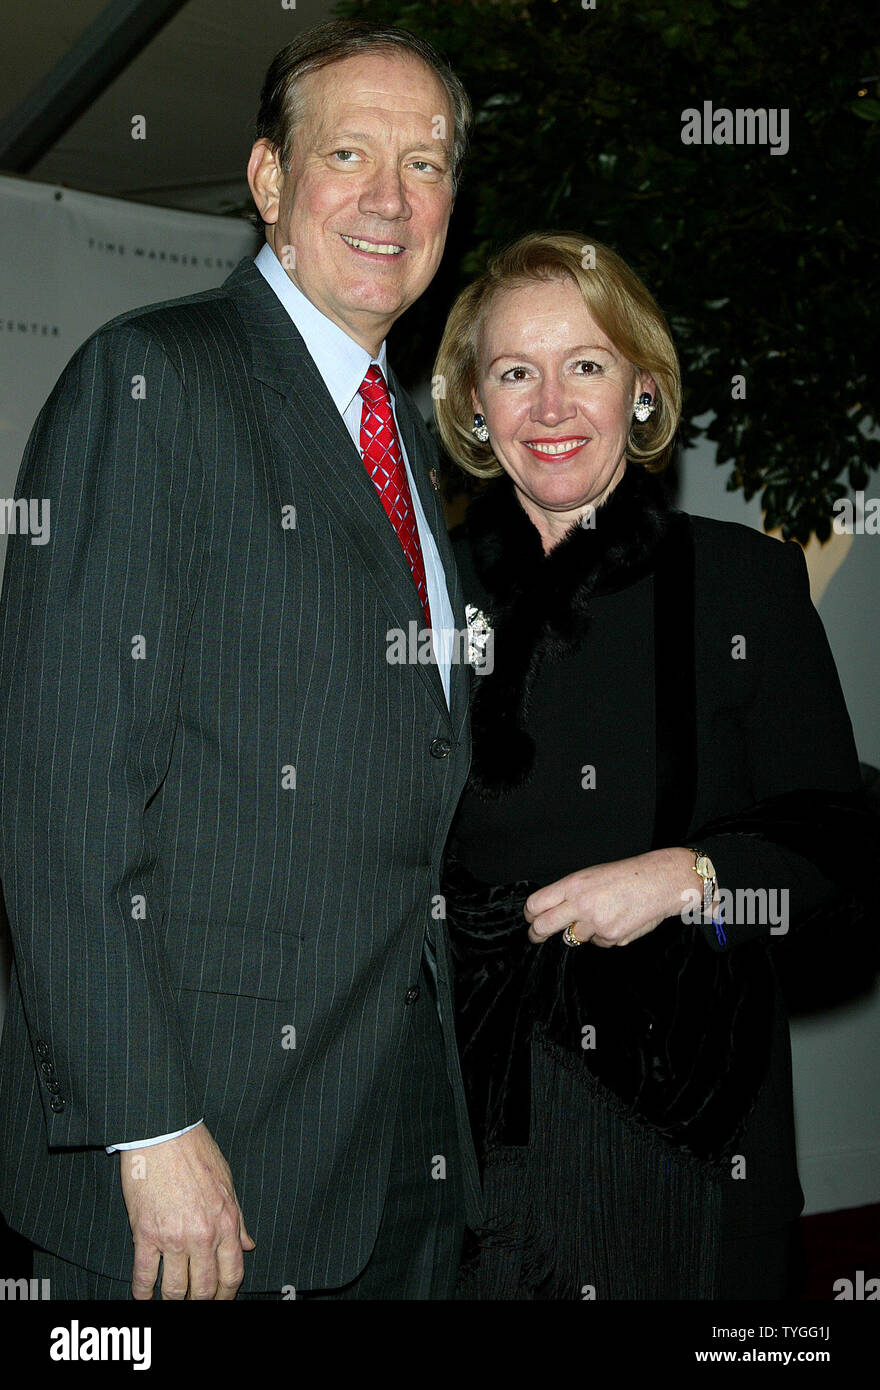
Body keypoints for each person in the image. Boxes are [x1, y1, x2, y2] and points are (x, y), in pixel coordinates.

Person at [0, 20, 481, 1300]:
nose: (391, 198)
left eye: (426, 165)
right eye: (350, 155)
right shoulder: (152, 382)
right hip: (195, 1157)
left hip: (393, 1136)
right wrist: (144, 1124)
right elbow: (60, 789)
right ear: (270, 180)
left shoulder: (408, 447)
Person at [433, 231, 875, 1299]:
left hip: (688, 1113)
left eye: (584, 365)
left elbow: (838, 841)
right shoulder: (416, 596)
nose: (549, 406)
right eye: (513, 372)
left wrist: (695, 878)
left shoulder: (740, 584)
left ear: (640, 387)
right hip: (461, 1118)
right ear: (472, 407)